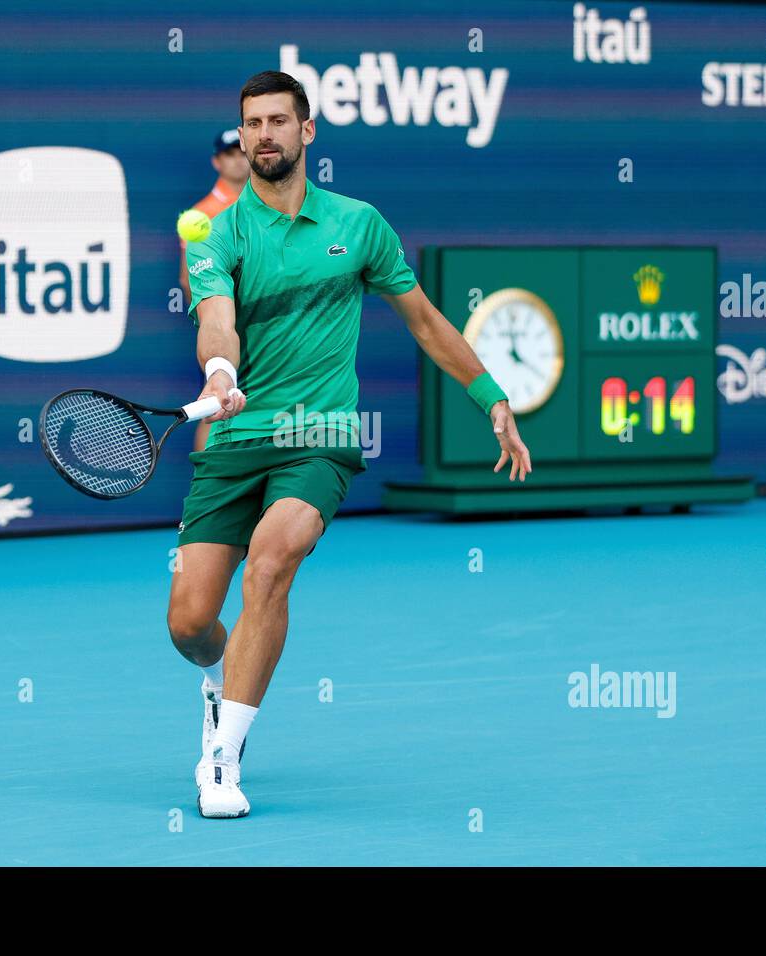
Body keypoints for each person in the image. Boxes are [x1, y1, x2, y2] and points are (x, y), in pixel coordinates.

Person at [172, 70, 532, 818]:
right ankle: (221, 681)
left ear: (308, 133)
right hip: (236, 436)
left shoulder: (360, 225)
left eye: (277, 121)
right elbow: (216, 317)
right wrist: (220, 368)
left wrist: (491, 396)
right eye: (251, 124)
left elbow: (427, 322)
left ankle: (221, 760)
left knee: (271, 565)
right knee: (190, 623)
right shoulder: (219, 233)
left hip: (320, 438)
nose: (262, 134)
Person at [180, 128, 250, 452]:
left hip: (265, 329)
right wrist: (220, 323)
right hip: (224, 326)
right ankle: (206, 486)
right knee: (215, 402)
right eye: (229, 154)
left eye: (242, 152)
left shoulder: (266, 207)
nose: (237, 160)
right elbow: (189, 280)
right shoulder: (201, 214)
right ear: (216, 162)